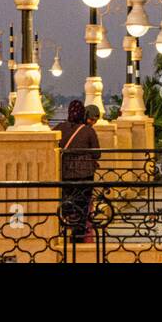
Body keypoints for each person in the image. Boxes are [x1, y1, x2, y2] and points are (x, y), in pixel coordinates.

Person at [56, 100, 102, 242]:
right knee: (82, 203)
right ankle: (79, 234)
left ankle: (66, 227)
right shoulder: (88, 131)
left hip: (65, 173)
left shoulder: (60, 127)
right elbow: (97, 154)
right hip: (84, 174)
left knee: (68, 202)